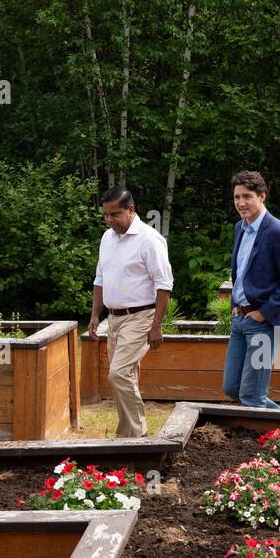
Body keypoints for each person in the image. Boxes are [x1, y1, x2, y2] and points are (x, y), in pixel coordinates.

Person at [86, 185, 173, 438]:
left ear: (131, 210)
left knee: (118, 373)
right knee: (126, 376)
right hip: (114, 317)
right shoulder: (107, 238)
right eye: (106, 215)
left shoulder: (149, 239)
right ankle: (127, 434)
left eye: (115, 215)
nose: (109, 220)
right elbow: (99, 279)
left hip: (141, 316)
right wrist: (95, 315)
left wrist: (156, 325)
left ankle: (137, 435)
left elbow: (164, 284)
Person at [223, 170, 280, 408]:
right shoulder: (240, 228)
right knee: (233, 388)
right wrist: (236, 305)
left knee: (252, 395)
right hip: (241, 319)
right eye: (237, 197)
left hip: (264, 321)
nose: (241, 203)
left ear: (262, 196)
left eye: (247, 196)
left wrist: (264, 312)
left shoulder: (277, 231)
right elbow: (241, 272)